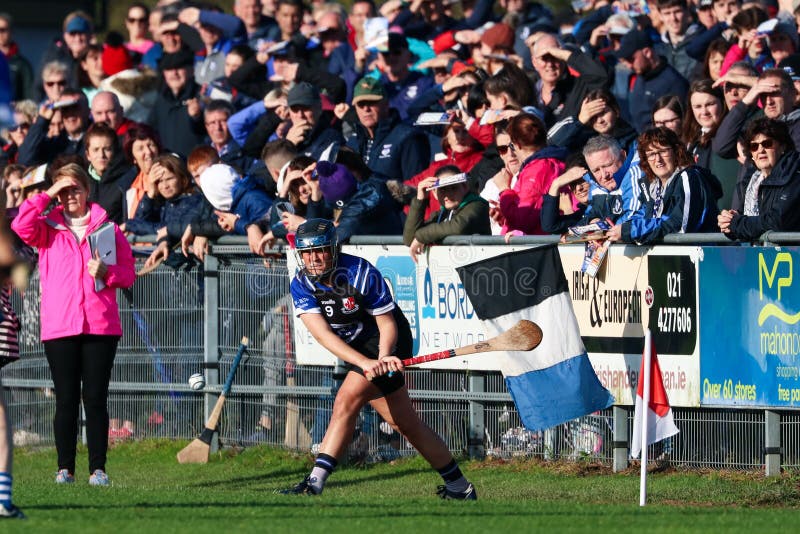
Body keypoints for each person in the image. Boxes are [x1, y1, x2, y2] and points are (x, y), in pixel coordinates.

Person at [282, 218, 476, 500]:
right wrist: (363, 362)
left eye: (320, 250)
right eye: (307, 253)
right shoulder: (302, 284)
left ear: (333, 249)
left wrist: (385, 356)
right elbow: (323, 335)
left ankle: (314, 483)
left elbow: (387, 324)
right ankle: (460, 487)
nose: (314, 259)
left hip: (387, 341)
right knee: (405, 423)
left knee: (345, 400)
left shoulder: (360, 273)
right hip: (359, 351)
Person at [10, 163, 135, 486]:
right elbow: (21, 225)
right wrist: (49, 193)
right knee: (65, 399)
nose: (69, 197)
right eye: (63, 191)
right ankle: (64, 468)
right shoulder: (47, 228)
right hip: (60, 326)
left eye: (74, 189)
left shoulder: (108, 229)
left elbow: (128, 274)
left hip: (100, 326)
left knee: (95, 399)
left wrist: (107, 274)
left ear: (87, 190)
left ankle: (98, 470)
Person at [607, 127, 721, 244]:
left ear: (676, 151)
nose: (658, 160)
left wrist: (631, 231)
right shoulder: (651, 185)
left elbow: (681, 225)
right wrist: (618, 229)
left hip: (703, 256)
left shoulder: (689, 177)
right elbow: (645, 215)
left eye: (662, 151)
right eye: (651, 154)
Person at [718, 117, 800, 240]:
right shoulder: (751, 182)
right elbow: (745, 221)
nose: (760, 150)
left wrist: (737, 223)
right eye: (754, 146)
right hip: (759, 255)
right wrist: (728, 222)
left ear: (782, 147)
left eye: (767, 144)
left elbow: (777, 220)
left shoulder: (795, 175)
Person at [403, 166, 490, 262]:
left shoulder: (477, 205)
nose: (448, 195)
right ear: (435, 193)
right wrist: (420, 200)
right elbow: (409, 239)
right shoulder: (440, 214)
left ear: (465, 187)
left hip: (477, 270)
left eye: (453, 188)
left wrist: (421, 237)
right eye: (443, 190)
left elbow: (458, 227)